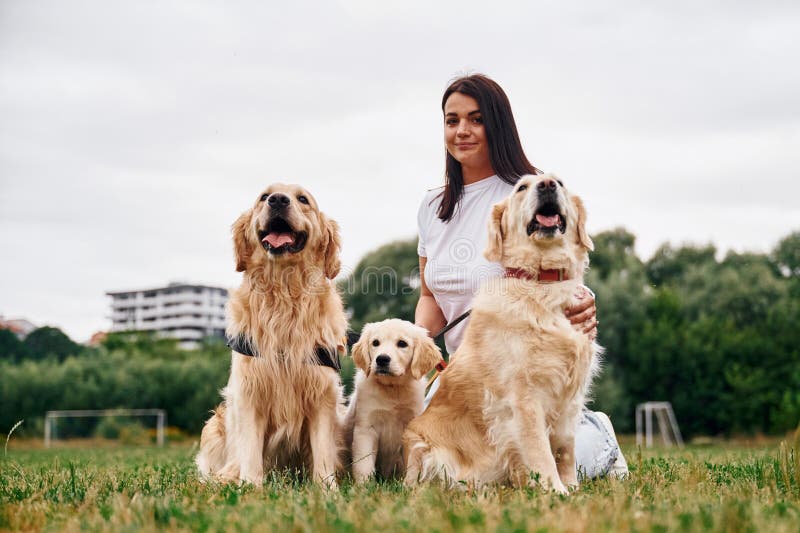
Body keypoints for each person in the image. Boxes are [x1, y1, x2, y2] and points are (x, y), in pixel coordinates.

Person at [415, 73, 627, 479]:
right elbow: (430, 297)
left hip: (526, 378)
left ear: (498, 124)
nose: (462, 131)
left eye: (476, 119)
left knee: (529, 468)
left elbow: (563, 262)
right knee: (421, 459)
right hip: (463, 380)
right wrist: (418, 353)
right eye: (451, 120)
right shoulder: (432, 206)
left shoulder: (528, 193)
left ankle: (597, 437)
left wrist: (583, 298)